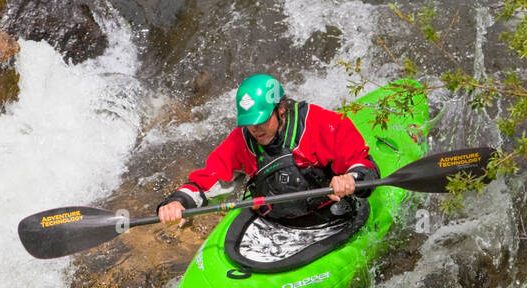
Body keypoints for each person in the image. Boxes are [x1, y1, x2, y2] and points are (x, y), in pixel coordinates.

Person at [157, 74, 379, 227]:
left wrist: (350, 179)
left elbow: (363, 165)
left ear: (281, 109)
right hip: (273, 219)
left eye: (261, 121)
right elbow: (207, 182)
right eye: (249, 123)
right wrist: (177, 202)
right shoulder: (241, 141)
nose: (255, 129)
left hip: (330, 215)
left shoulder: (320, 123)